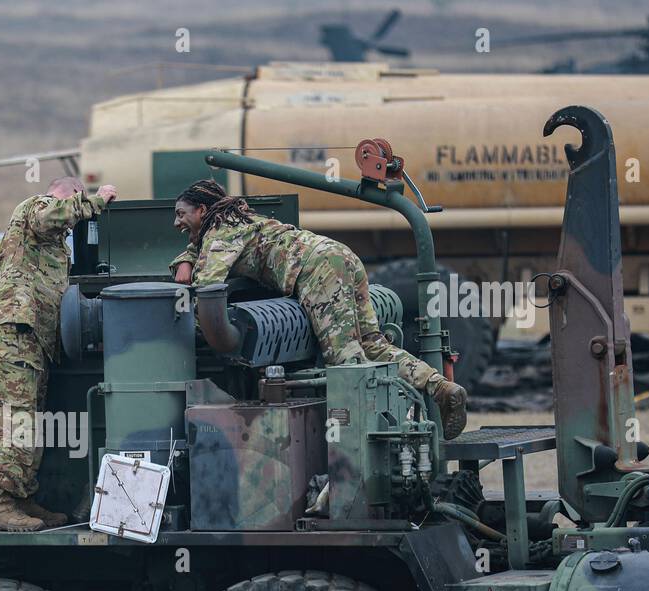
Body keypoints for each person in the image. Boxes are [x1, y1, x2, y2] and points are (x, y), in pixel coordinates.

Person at [170, 179, 468, 439]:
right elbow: (201, 247)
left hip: (318, 271)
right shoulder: (239, 220)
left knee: (344, 363)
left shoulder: (221, 231)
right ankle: (441, 388)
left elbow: (209, 284)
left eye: (181, 214)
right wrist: (183, 259)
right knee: (373, 344)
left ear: (202, 211)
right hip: (340, 255)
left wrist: (192, 327)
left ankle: (364, 445)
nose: (176, 223)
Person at [0, 176, 118, 531]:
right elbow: (52, 217)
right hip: (16, 325)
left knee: (29, 417)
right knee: (11, 417)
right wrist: (97, 200)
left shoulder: (52, 242)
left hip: (33, 335)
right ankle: (1, 505)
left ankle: (21, 498)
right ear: (70, 195)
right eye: (76, 206)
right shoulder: (35, 208)